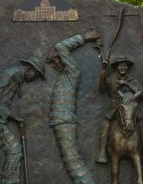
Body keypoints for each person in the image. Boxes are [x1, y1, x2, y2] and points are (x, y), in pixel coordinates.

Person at [45, 31, 101, 184]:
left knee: (73, 162)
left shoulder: (72, 71)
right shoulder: (65, 75)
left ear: (63, 59)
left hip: (64, 120)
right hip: (60, 121)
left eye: (55, 60)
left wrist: (83, 38)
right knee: (70, 162)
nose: (53, 64)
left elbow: (60, 46)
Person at [0, 56, 44, 184]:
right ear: (30, 69)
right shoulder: (10, 74)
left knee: (15, 150)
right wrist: (11, 115)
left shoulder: (18, 78)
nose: (34, 80)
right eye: (35, 76)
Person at [96, 55, 143, 165]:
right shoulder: (111, 79)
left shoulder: (133, 80)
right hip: (116, 108)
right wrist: (103, 71)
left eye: (125, 66)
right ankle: (102, 150)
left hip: (131, 108)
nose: (122, 68)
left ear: (127, 67)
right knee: (105, 124)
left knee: (141, 123)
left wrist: (129, 84)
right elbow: (102, 89)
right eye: (120, 66)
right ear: (117, 67)